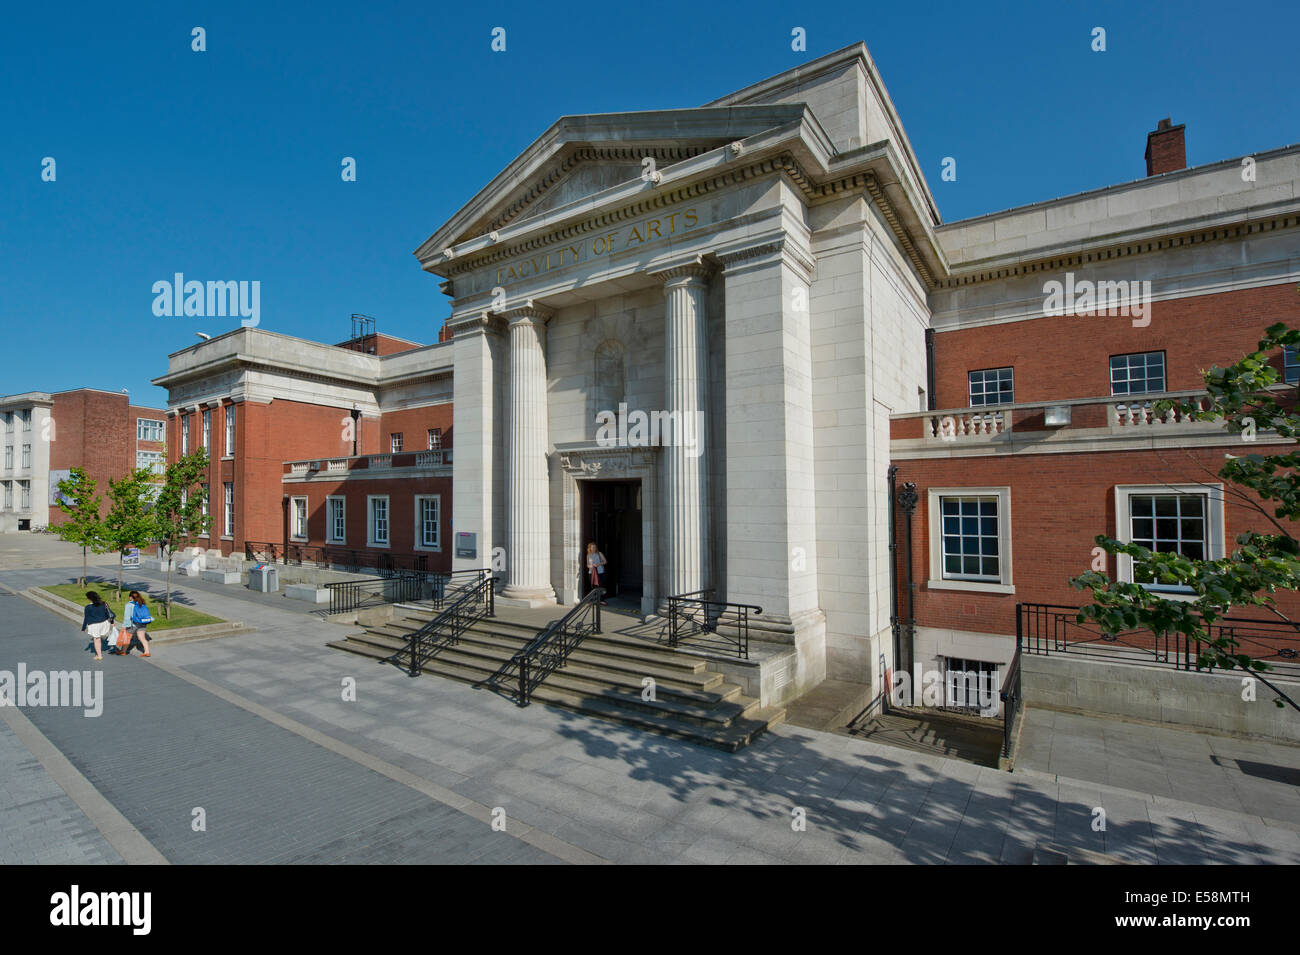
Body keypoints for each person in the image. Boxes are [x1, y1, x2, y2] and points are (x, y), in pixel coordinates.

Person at [81, 591, 116, 661]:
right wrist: (112, 622)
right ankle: (99, 655)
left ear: (89, 598)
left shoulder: (88, 607)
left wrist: (83, 628)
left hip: (95, 625)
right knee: (99, 638)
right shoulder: (104, 604)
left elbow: (86, 618)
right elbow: (108, 613)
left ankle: (99, 655)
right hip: (104, 623)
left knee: (97, 639)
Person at [121, 590, 153, 657]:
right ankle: (147, 652)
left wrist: (124, 626)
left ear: (130, 597)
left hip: (133, 624)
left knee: (127, 638)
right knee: (142, 638)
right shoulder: (141, 603)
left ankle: (123, 651)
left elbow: (127, 617)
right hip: (142, 622)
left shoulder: (129, 605)